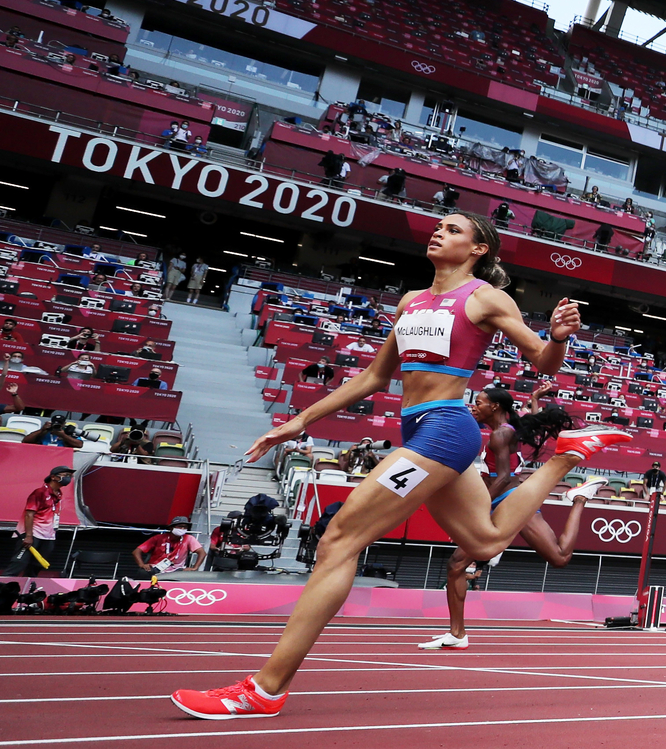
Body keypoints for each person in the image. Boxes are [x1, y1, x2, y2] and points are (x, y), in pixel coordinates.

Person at [170, 212, 631, 719]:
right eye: (439, 226)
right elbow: (372, 377)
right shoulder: (411, 303)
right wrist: (297, 421)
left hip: (445, 430)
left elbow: (542, 361)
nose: (440, 232)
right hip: (418, 429)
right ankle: (567, 456)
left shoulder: (485, 297)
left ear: (479, 250)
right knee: (483, 540)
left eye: (455, 230)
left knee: (339, 539)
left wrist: (559, 338)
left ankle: (265, 688)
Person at [419, 388, 603, 650]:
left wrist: (477, 511)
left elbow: (504, 477)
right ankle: (457, 634)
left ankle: (580, 498)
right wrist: (536, 400)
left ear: (494, 407)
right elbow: (532, 419)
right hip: (502, 500)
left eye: (479, 403)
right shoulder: (504, 430)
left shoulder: (501, 433)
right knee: (456, 564)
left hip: (511, 501)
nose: (473, 407)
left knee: (559, 558)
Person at [3, 466, 73, 576]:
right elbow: (29, 514)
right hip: (33, 534)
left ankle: (26, 591)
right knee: (19, 563)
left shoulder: (58, 494)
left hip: (48, 536)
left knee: (37, 566)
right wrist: (28, 536)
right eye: (66, 475)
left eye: (70, 476)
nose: (69, 478)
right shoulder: (40, 492)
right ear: (53, 477)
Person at [133, 516, 206, 573]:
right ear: (171, 527)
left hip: (177, 570)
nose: (182, 529)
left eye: (185, 527)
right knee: (143, 572)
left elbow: (202, 552)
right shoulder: (158, 538)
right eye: (180, 526)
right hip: (156, 567)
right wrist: (142, 564)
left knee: (189, 575)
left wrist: (195, 567)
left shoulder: (189, 538)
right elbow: (136, 551)